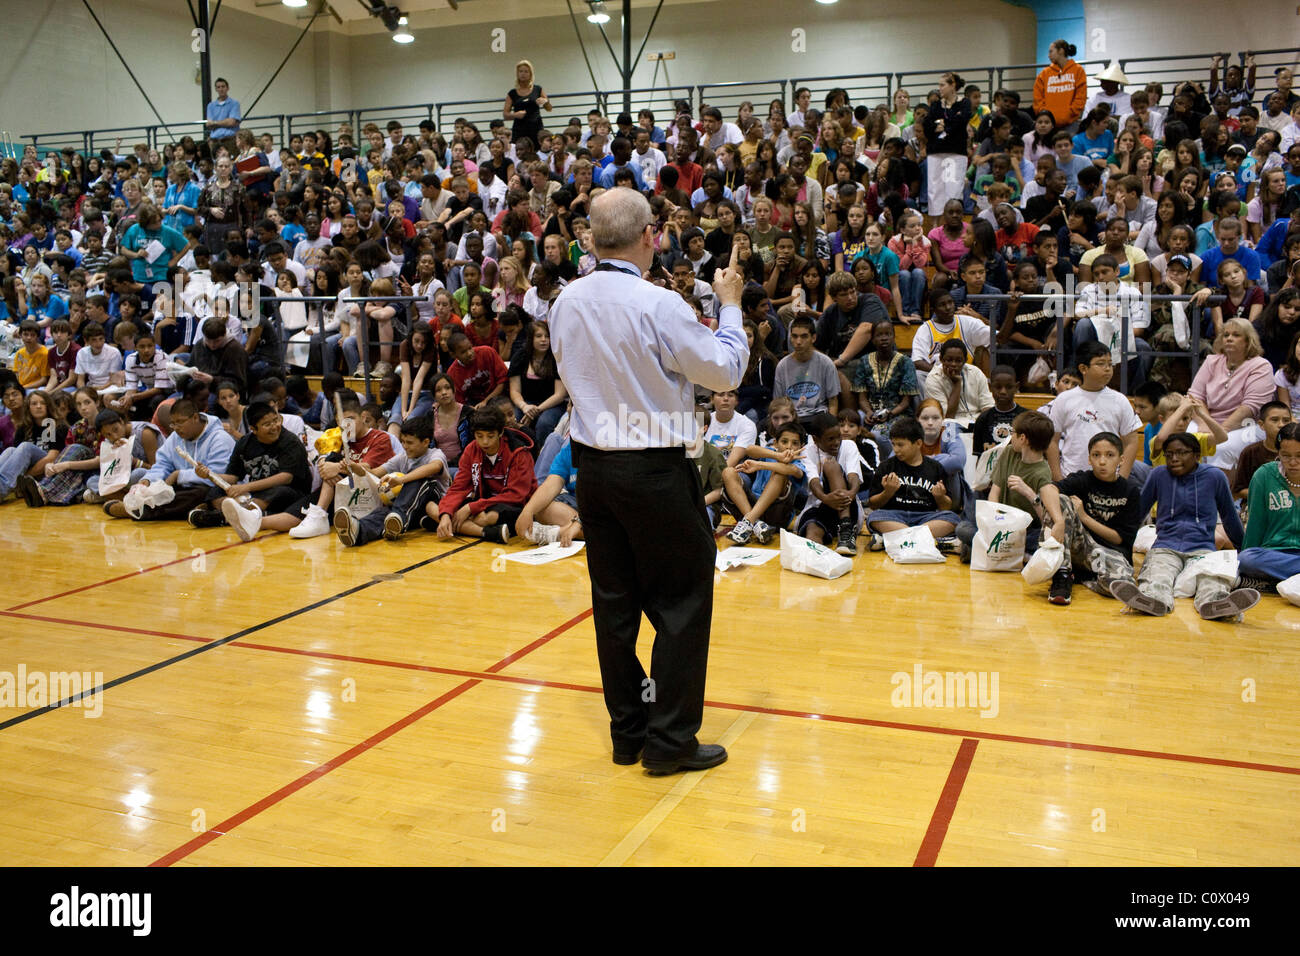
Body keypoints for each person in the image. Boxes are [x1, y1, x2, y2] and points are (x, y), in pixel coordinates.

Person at [548, 187, 748, 775]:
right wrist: (730, 305)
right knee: (683, 604)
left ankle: (629, 733)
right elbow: (724, 370)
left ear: (590, 238)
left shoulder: (565, 302)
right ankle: (669, 742)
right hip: (655, 467)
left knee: (614, 606)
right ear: (650, 237)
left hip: (594, 469)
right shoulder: (658, 303)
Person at [1111, 432, 1258, 620]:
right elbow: (1137, 514)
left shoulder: (1215, 477)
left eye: (1181, 453)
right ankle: (1152, 600)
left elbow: (1230, 516)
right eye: (1169, 454)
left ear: (1197, 455)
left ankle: (1217, 604)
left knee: (1213, 579)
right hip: (1165, 546)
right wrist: (1121, 548)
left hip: (1203, 548)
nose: (1174, 459)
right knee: (1157, 574)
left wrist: (1243, 550)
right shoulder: (1159, 475)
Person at [1037, 431, 1143, 606]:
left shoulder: (1130, 491)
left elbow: (1119, 538)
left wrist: (1084, 517)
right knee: (1060, 500)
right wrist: (1059, 521)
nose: (1102, 461)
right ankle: (1062, 575)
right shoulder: (1082, 479)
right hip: (1080, 546)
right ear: (1089, 459)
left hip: (1110, 552)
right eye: (1096, 455)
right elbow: (1046, 489)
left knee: (1121, 585)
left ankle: (1084, 579)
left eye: (1110, 455)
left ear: (1121, 460)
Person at [188, 401, 312, 541]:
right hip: (255, 494)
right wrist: (209, 474)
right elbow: (232, 477)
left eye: (276, 420)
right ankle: (238, 515)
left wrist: (245, 487)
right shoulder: (244, 443)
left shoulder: (290, 441)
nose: (274, 427)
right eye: (267, 424)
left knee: (278, 491)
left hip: (289, 493)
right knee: (214, 491)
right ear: (253, 429)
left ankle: (222, 517)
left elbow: (286, 477)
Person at [102, 398, 235, 521]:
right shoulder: (176, 437)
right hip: (181, 487)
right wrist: (148, 480)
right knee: (147, 480)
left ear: (195, 417)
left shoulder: (220, 439)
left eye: (180, 422)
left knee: (202, 493)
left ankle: (138, 510)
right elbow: (162, 464)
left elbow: (218, 476)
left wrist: (179, 475)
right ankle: (143, 505)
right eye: (173, 424)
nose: (176, 428)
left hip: (208, 488)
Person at [334, 414, 450, 547]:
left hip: (435, 501)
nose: (405, 446)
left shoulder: (435, 454)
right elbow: (374, 473)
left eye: (410, 442)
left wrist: (401, 480)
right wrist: (354, 467)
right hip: (411, 510)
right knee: (383, 513)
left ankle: (398, 517)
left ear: (425, 442)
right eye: (403, 442)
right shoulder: (402, 457)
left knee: (420, 480)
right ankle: (359, 531)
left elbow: (434, 467)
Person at [1047, 341, 1142, 481]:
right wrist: (1057, 477)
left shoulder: (1120, 400)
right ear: (1083, 368)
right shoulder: (1064, 399)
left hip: (1108, 481)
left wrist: (1121, 478)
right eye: (1101, 364)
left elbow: (1132, 441)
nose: (1108, 369)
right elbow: (1052, 440)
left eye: (1110, 364)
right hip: (1071, 477)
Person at [865, 414, 959, 551]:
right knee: (874, 518)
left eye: (901, 445)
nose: (896, 450)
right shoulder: (886, 466)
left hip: (926, 518)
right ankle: (933, 542)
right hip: (895, 516)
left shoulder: (935, 468)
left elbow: (946, 507)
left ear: (918, 443)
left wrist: (940, 497)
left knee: (953, 519)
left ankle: (892, 541)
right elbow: (873, 505)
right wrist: (887, 492)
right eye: (893, 444)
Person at [722, 421, 810, 544]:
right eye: (784, 442)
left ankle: (749, 521)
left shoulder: (799, 463)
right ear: (775, 442)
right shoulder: (770, 453)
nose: (789, 447)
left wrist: (759, 465)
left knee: (779, 472)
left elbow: (792, 470)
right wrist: (778, 456)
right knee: (728, 472)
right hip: (750, 507)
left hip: (777, 516)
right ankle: (756, 524)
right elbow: (749, 449)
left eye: (795, 443)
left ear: (801, 446)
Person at [1237, 422, 1300, 587]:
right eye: (1286, 455)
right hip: (1273, 553)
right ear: (1278, 453)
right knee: (1245, 559)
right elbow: (1255, 524)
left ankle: (1279, 580)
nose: (1293, 462)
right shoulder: (1264, 475)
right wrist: (1243, 564)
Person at [205, 78, 241, 145]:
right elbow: (209, 125)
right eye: (218, 87)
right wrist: (225, 122)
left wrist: (215, 123)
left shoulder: (234, 103)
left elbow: (231, 122)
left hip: (230, 139)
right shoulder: (210, 106)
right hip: (215, 140)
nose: (221, 89)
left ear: (227, 88)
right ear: (216, 89)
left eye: (223, 86)